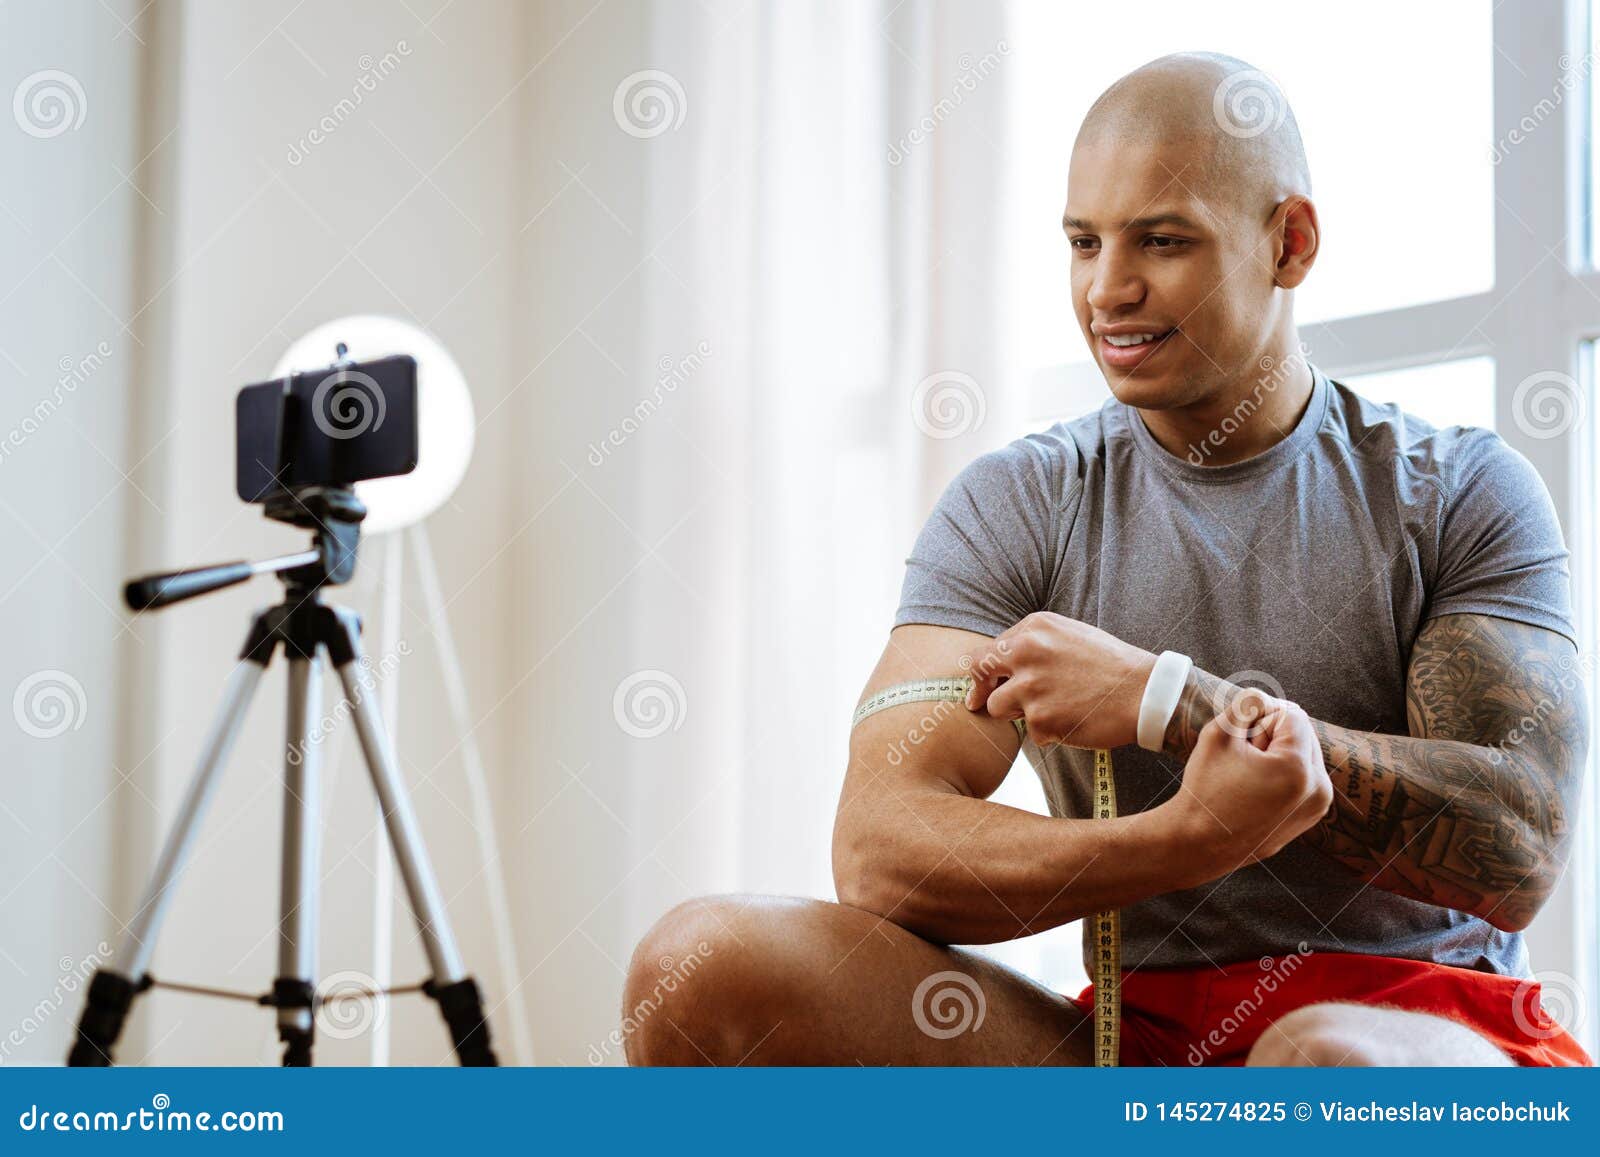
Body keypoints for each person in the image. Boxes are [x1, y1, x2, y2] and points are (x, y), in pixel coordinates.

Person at [621, 51, 1592, 1066]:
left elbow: (1519, 845)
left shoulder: (1459, 488)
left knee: (1318, 1055)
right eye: (1084, 242)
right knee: (700, 968)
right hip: (1140, 1043)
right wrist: (1184, 837)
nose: (1106, 289)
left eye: (1161, 241)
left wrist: (1171, 700)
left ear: (1290, 242)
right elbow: (880, 849)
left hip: (1426, 1027)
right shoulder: (1019, 503)